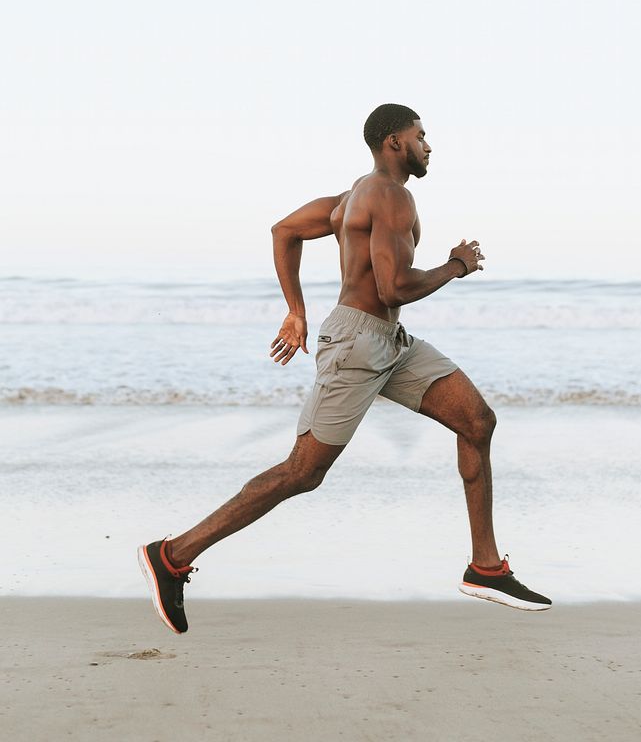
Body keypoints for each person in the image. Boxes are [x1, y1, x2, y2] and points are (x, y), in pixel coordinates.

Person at [138, 103, 551, 633]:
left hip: (389, 342)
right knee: (302, 473)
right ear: (394, 142)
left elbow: (283, 230)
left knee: (477, 420)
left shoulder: (349, 198)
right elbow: (393, 287)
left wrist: (296, 309)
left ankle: (485, 567)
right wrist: (457, 266)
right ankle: (171, 556)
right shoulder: (392, 195)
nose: (429, 145)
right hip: (358, 344)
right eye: (421, 136)